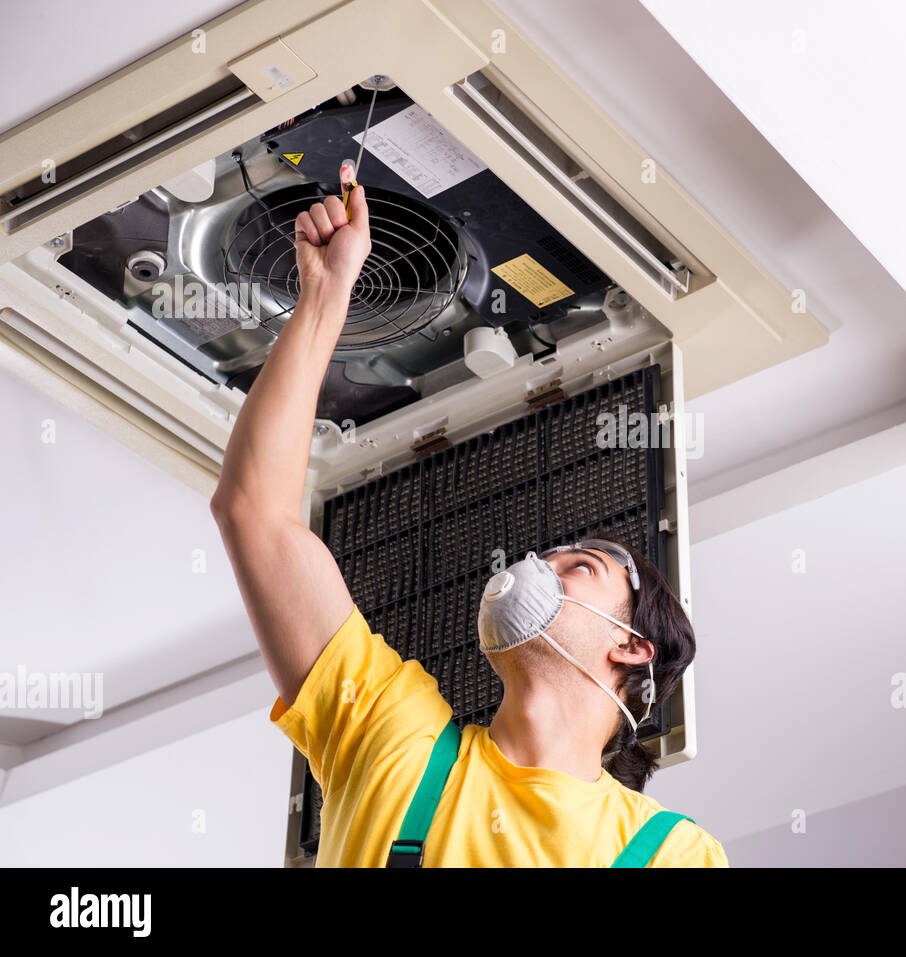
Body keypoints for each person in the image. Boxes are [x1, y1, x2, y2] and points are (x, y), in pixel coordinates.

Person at [209, 165, 727, 867]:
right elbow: (255, 513)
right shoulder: (393, 736)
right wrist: (326, 296)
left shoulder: (666, 853)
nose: (537, 568)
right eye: (545, 559)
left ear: (632, 646)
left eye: (580, 565)